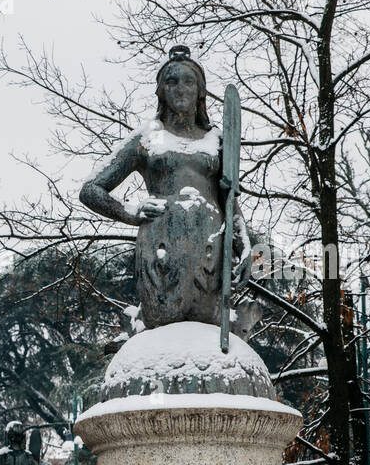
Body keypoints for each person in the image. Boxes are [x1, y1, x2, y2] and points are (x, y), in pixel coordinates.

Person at [80, 45, 246, 330]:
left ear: (200, 90)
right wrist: (130, 213)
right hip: (161, 244)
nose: (180, 88)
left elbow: (230, 201)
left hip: (209, 245)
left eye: (188, 81)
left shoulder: (216, 141)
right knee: (164, 327)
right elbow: (91, 190)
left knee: (205, 329)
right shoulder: (147, 139)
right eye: (171, 82)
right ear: (160, 91)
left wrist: (246, 248)